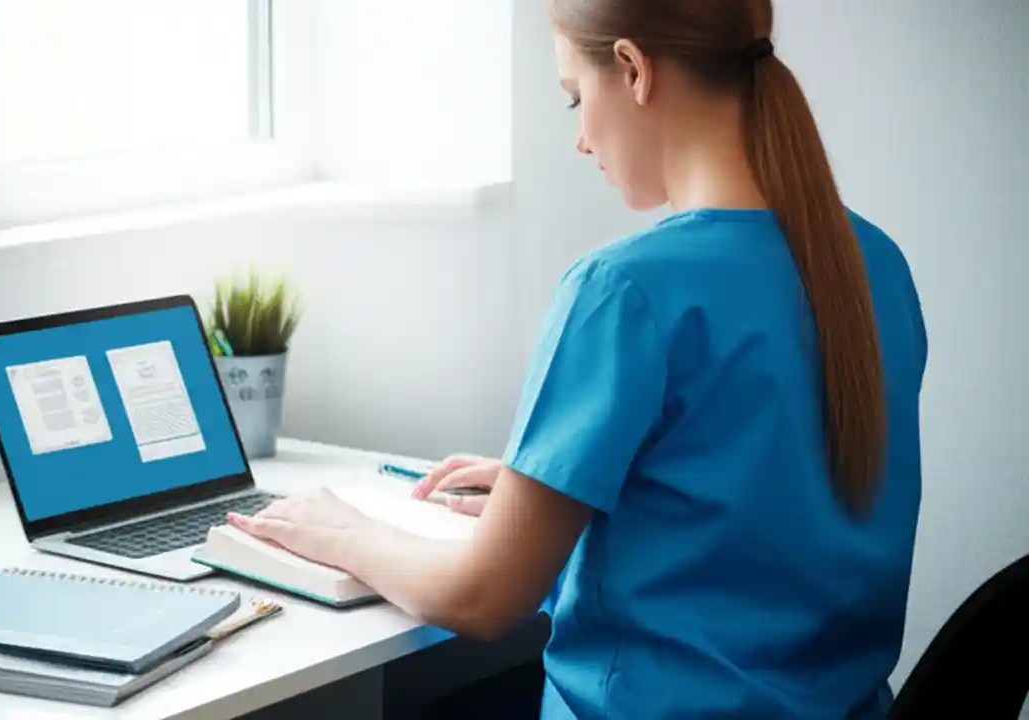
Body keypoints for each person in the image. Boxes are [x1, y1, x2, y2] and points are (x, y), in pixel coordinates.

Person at [228, 0, 927, 716]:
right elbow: (773, 504)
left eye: (574, 98)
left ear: (632, 69)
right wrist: (559, 488)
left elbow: (482, 598)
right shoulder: (872, 262)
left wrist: (345, 533)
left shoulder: (624, 290)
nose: (581, 141)